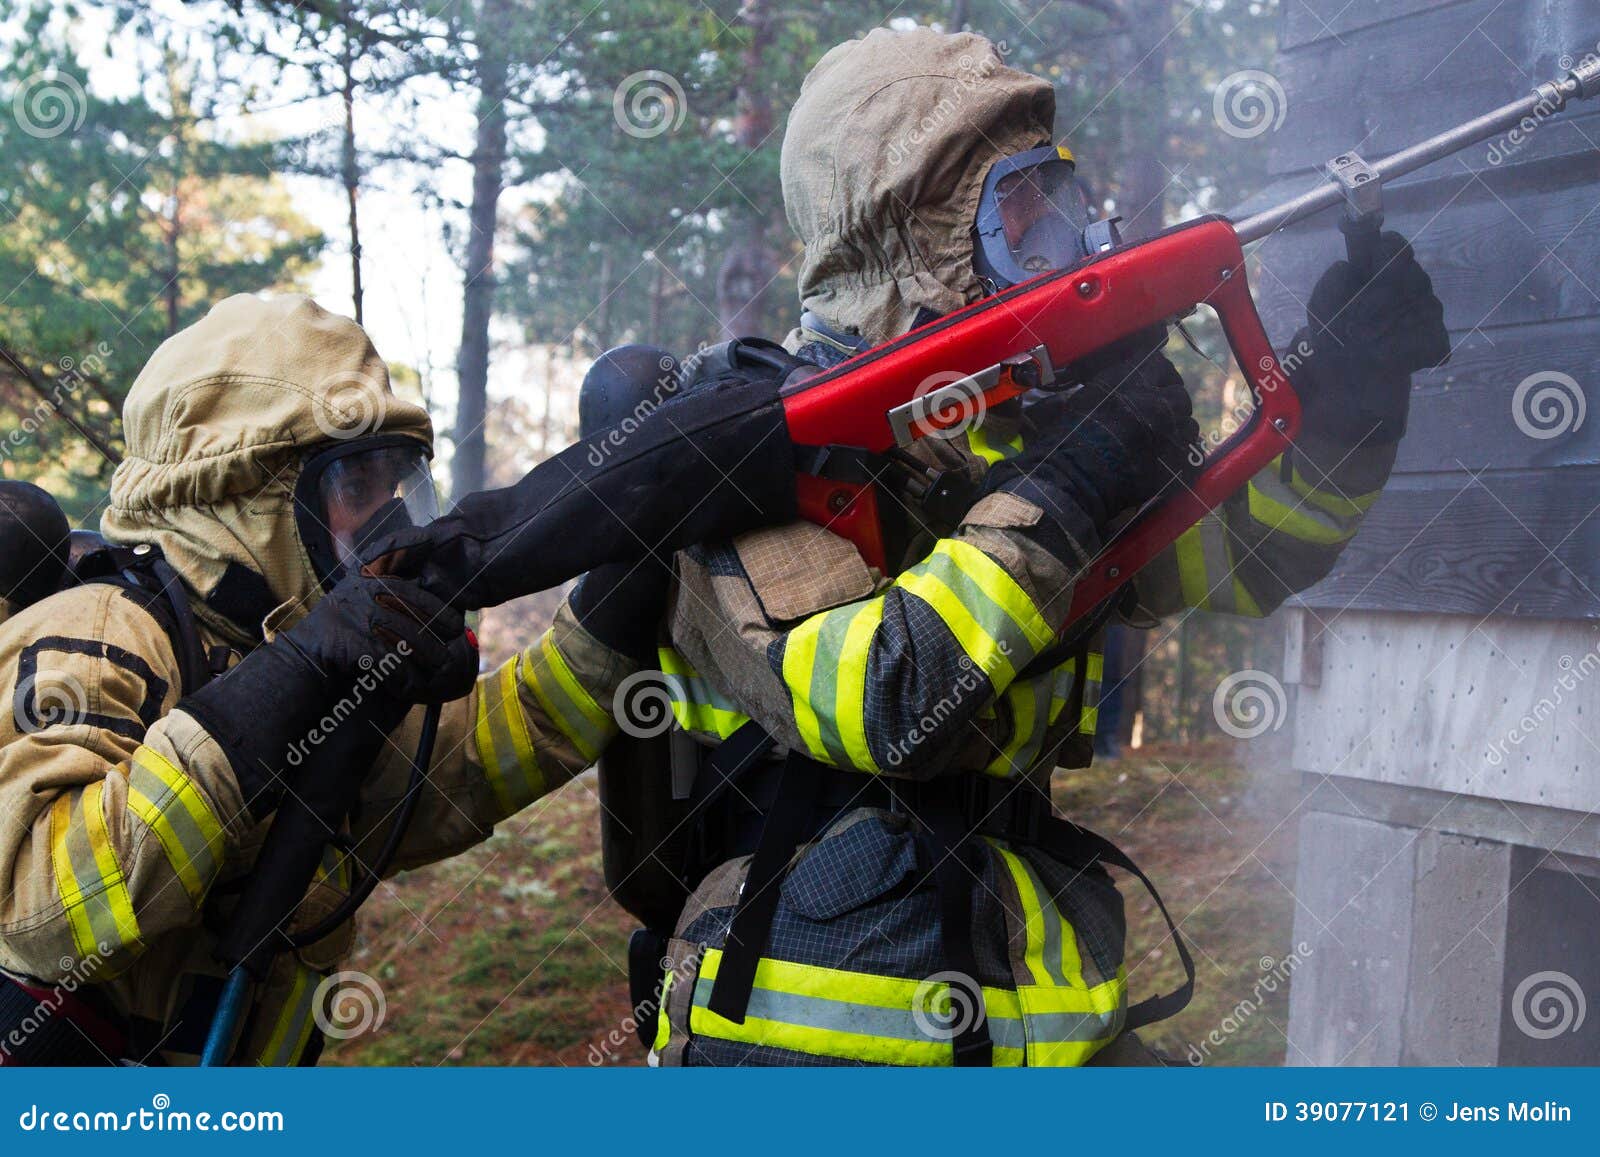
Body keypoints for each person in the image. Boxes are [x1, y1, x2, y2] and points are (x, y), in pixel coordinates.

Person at [544, 26, 1450, 1067]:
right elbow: (890, 698)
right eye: (1016, 217)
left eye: (1056, 205)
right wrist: (1067, 484)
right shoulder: (755, 461)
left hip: (1031, 1029)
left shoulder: (995, 455)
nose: (1059, 244)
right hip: (800, 1048)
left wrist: (1345, 404)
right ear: (903, 237)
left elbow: (1241, 561)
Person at [0, 292, 797, 1065]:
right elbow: (46, 910)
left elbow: (480, 757)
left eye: (396, 482)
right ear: (242, 496)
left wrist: (618, 586)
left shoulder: (305, 655)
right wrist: (288, 678)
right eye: (355, 486)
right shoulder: (104, 634)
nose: (389, 518)